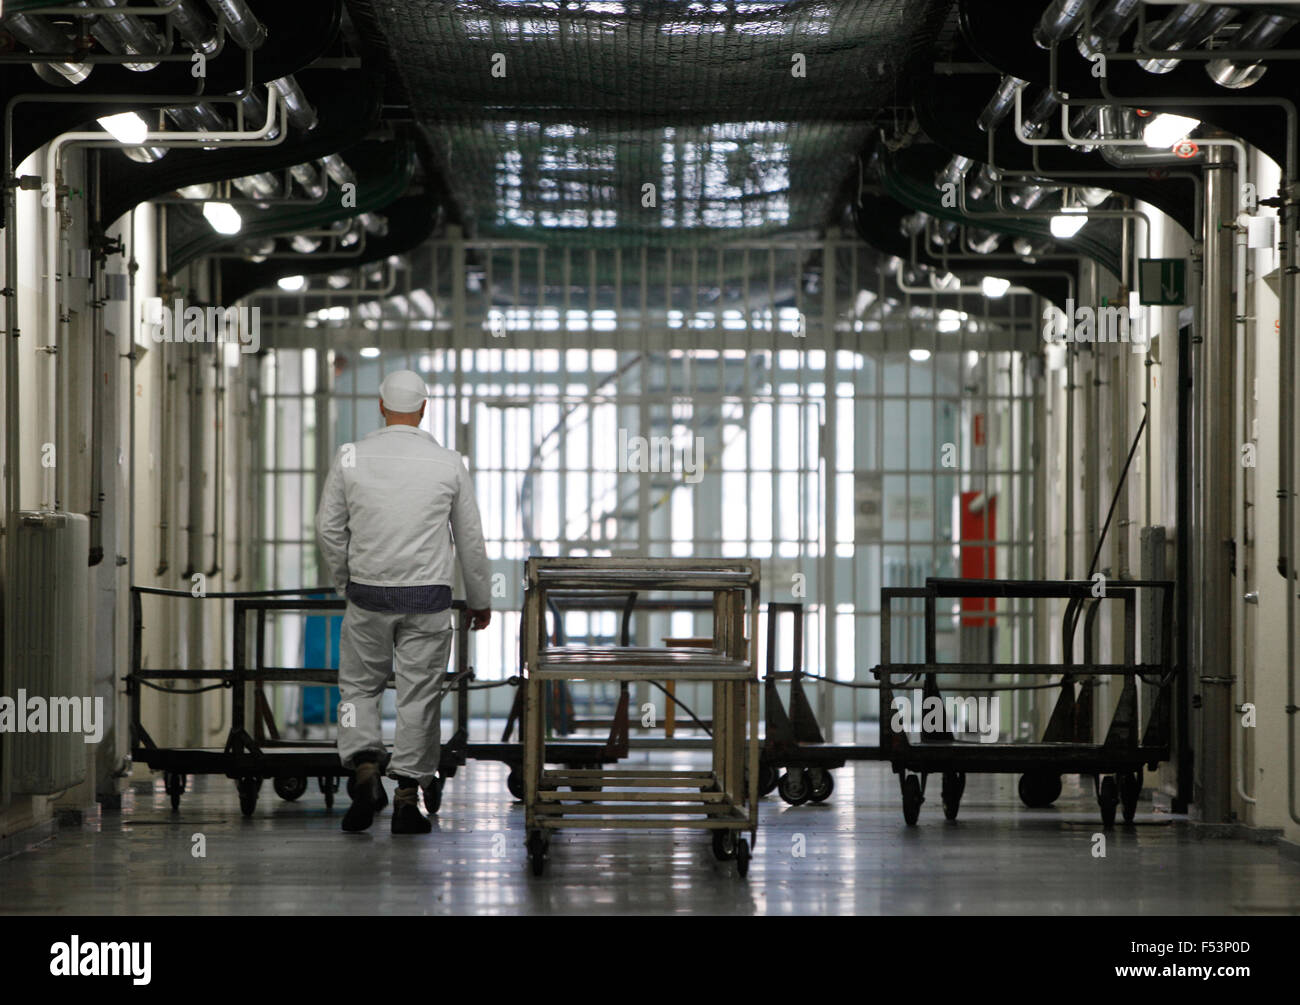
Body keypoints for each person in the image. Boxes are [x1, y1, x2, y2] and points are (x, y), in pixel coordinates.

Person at [316, 369, 492, 834]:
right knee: (418, 697)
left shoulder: (350, 456)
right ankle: (407, 800)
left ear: (380, 406)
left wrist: (344, 581)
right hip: (428, 598)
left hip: (368, 596)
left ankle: (364, 767)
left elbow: (328, 529)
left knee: (358, 688)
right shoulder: (448, 462)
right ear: (423, 409)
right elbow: (470, 539)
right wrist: (479, 599)